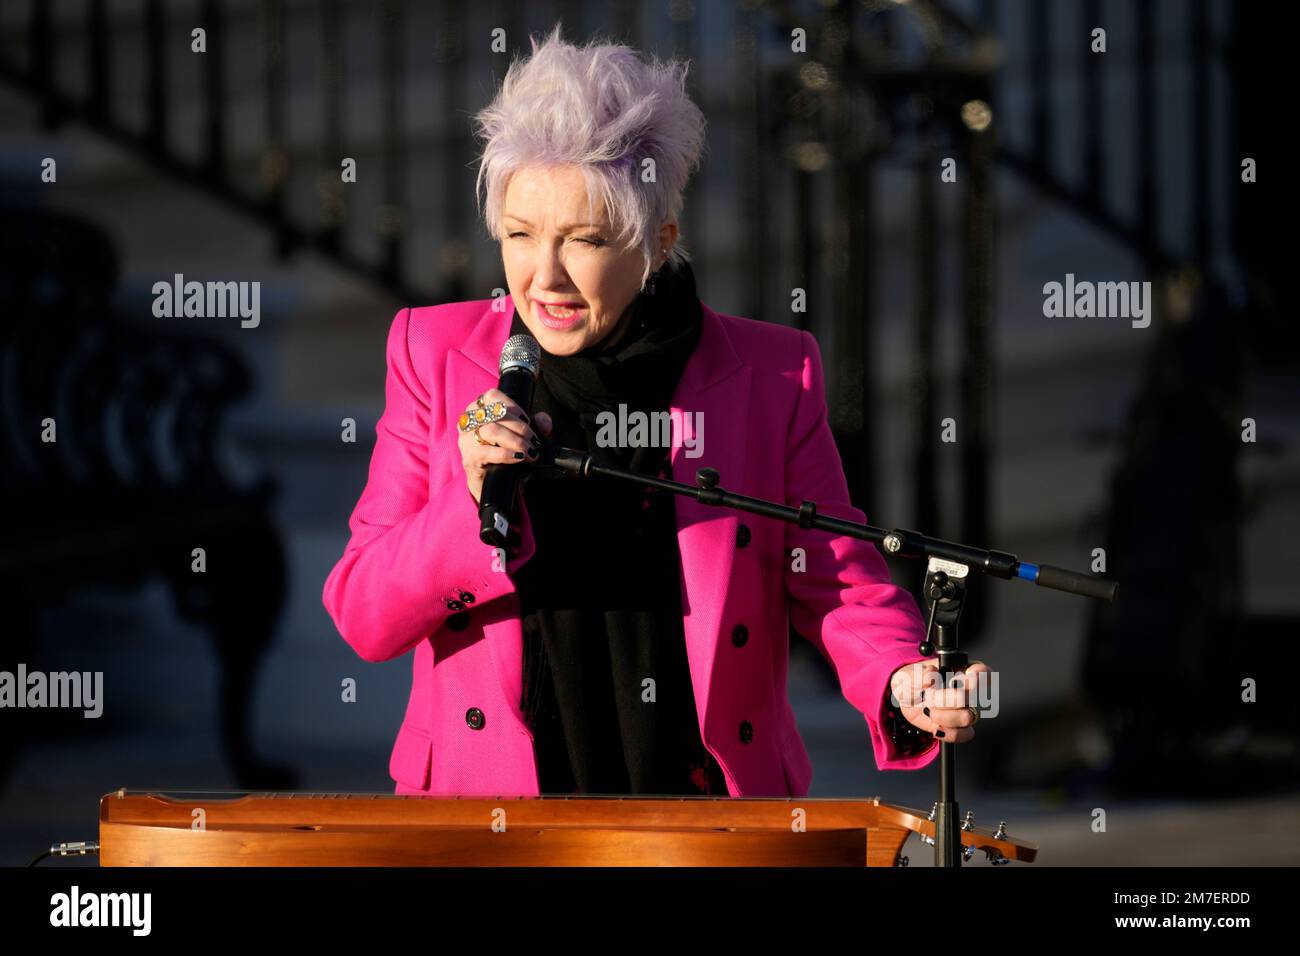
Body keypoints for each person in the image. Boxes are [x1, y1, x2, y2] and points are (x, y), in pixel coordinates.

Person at [322, 24, 988, 798]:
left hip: (700, 810)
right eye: (520, 235)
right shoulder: (435, 356)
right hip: (496, 816)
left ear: (658, 243)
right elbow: (363, 613)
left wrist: (902, 676)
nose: (545, 276)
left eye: (584, 240)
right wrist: (466, 501)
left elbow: (835, 579)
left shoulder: (769, 376)